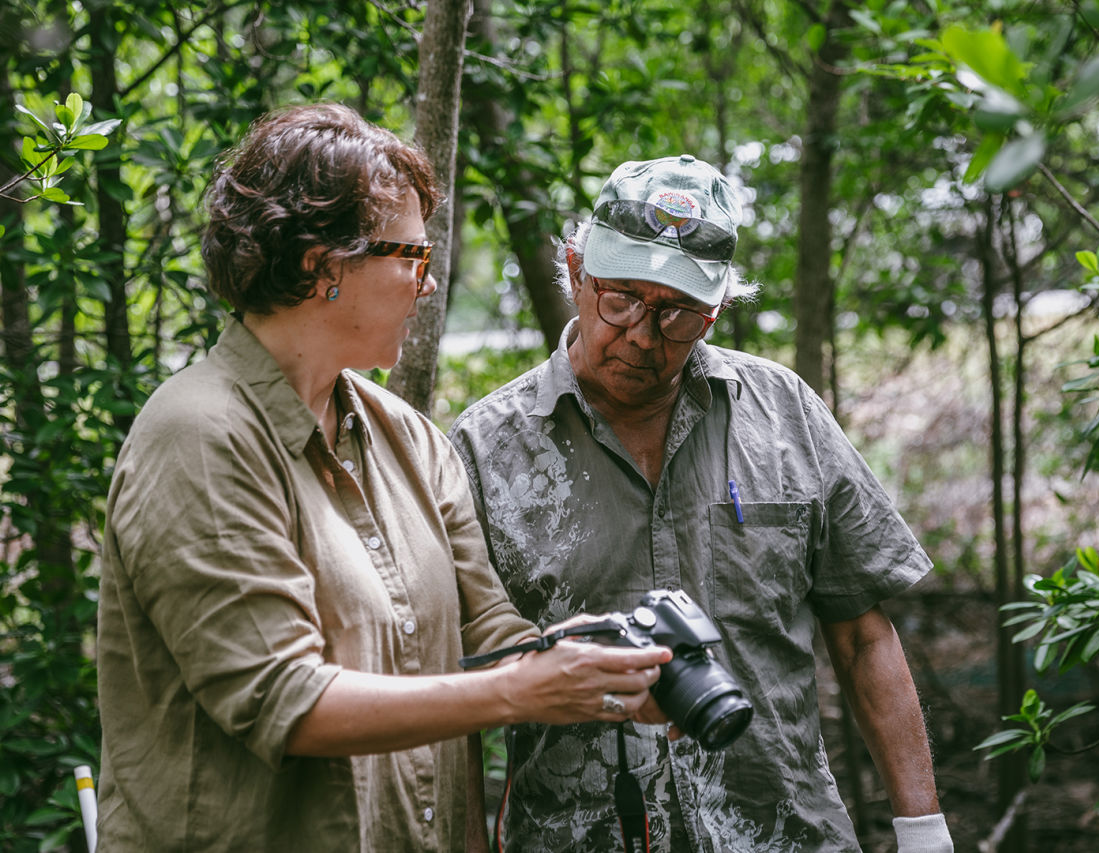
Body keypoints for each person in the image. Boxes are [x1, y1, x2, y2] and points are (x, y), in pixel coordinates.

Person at [94, 104, 671, 853]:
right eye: (412, 257)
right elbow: (285, 700)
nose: (428, 286)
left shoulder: (410, 439)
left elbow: (488, 633)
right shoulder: (199, 437)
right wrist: (521, 691)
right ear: (321, 264)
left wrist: (604, 669)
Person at [448, 154, 954, 852]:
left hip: (784, 832)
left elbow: (864, 634)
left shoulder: (785, 415)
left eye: (679, 313)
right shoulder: (482, 449)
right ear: (576, 269)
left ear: (716, 310)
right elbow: (455, 689)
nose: (642, 335)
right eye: (621, 298)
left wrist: (925, 831)